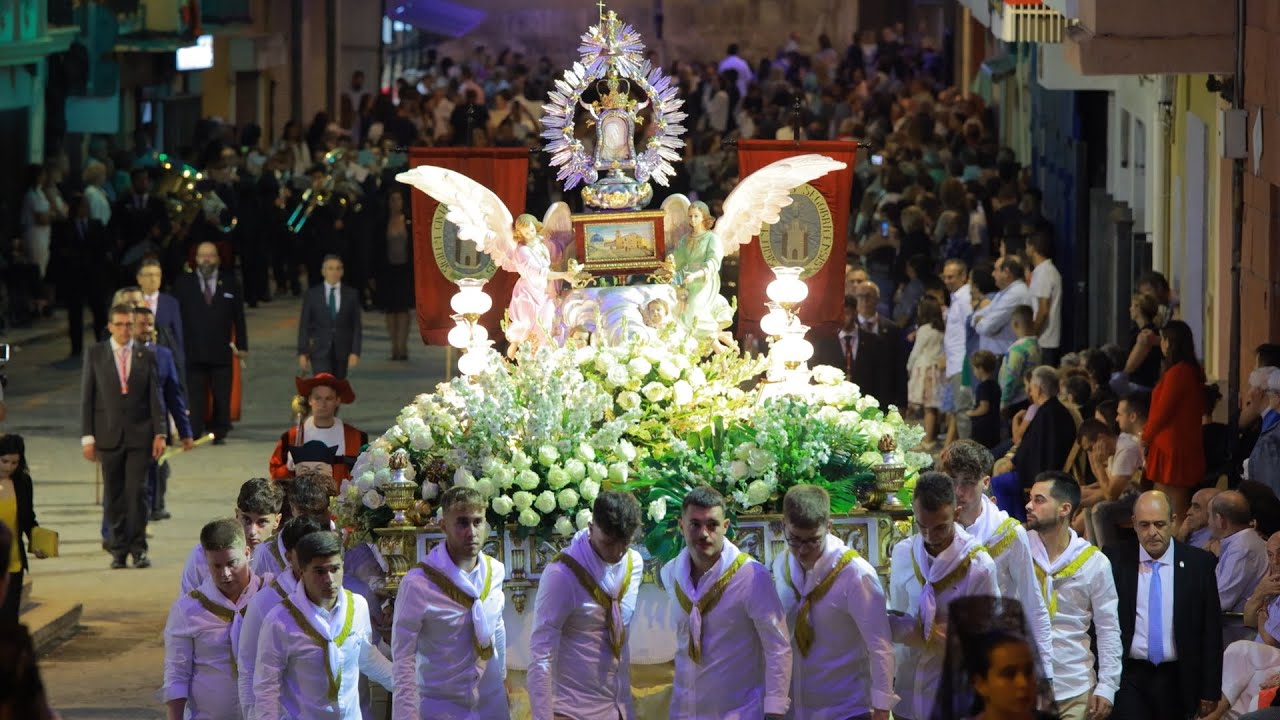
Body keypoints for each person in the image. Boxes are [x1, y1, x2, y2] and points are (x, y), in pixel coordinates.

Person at [660, 485, 791, 719]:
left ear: (726, 527)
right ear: (681, 525)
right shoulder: (670, 573)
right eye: (695, 524)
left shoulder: (752, 576)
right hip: (685, 710)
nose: (703, 533)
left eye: (712, 525)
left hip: (738, 712)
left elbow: (777, 646)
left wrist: (775, 709)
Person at [771, 484, 895, 720]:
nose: (802, 551)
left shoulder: (856, 574)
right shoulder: (781, 564)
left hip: (846, 708)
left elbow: (880, 645)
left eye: (813, 541)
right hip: (796, 708)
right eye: (794, 539)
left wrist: (881, 707)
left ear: (829, 526)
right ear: (783, 524)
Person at [941, 442, 1055, 686]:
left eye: (968, 482)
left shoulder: (1008, 534)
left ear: (985, 482)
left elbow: (1033, 604)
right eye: (952, 480)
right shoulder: (934, 528)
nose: (959, 491)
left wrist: (1044, 674)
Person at [889, 471, 1000, 720]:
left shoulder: (978, 565)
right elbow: (898, 608)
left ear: (957, 513)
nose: (930, 537)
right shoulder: (903, 553)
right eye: (922, 527)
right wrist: (909, 631)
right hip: (907, 692)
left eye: (940, 527)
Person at [391, 486, 509, 718]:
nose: (472, 532)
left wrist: (503, 679)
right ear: (443, 526)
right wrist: (406, 714)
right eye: (462, 523)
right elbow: (403, 657)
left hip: (491, 701)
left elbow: (496, 627)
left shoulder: (495, 570)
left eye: (478, 522)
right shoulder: (418, 583)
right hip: (442, 706)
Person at [1105, 491, 1222, 720]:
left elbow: (1211, 631)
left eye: (1159, 524)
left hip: (1178, 676)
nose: (1152, 533)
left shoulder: (1199, 564)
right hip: (1129, 674)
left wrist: (1210, 689)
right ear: (1134, 524)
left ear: (1173, 520)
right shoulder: (1114, 559)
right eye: (1144, 525)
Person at [528, 491, 644, 720]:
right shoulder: (562, 574)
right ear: (591, 528)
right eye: (609, 542)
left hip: (619, 707)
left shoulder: (634, 563)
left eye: (626, 543)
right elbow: (541, 654)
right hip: (572, 710)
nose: (617, 553)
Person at [253, 531, 393, 719]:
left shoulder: (358, 606)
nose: (329, 579)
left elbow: (366, 656)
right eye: (319, 571)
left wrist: (411, 685)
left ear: (343, 567)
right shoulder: (279, 620)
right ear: (301, 572)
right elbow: (267, 688)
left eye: (335, 569)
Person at [1024, 472, 1123, 720]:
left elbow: (1108, 628)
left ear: (1064, 509)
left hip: (1075, 687)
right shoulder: (1017, 550)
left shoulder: (1094, 563)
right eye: (1030, 499)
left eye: (1039, 500)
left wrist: (1108, 685)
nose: (1028, 505)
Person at [81, 303, 166, 569]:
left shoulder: (145, 355)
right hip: (108, 436)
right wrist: (88, 437)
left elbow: (155, 397)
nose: (124, 330)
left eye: (128, 324)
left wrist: (160, 432)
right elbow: (88, 397)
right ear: (109, 326)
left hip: (140, 436)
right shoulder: (96, 354)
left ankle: (138, 548)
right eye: (118, 324)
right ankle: (118, 550)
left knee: (137, 494)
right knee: (114, 495)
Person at [163, 518, 267, 720]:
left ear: (247, 553)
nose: (225, 574)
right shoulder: (187, 610)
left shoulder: (271, 597)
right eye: (216, 566)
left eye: (232, 563)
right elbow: (177, 675)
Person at [237, 515, 325, 720]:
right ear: (288, 556)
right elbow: (248, 666)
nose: (312, 560)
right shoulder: (264, 603)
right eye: (304, 554)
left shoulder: (336, 594)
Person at [173, 241, 248, 444]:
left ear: (218, 258)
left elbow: (238, 317)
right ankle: (195, 430)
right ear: (195, 259)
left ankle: (219, 431)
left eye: (211, 255)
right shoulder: (183, 283)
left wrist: (242, 345)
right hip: (193, 350)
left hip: (221, 350)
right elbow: (176, 319)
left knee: (222, 395)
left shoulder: (231, 282)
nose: (206, 259)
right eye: (202, 255)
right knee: (195, 395)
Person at [133, 305, 194, 521]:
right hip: (129, 426)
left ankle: (155, 506)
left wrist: (185, 432)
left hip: (157, 425)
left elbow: (174, 396)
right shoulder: (122, 355)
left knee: (158, 468)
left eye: (149, 324)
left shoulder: (164, 355)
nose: (146, 328)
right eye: (141, 324)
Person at [1144, 320, 1206, 521]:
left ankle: (1177, 546)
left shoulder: (1178, 373)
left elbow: (1162, 412)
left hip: (1172, 447)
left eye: (1163, 339)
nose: (1161, 344)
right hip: (1175, 444)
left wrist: (1145, 436)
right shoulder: (1187, 370)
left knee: (1174, 508)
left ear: (1170, 342)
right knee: (1163, 505)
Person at [182, 478, 284, 594]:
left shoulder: (284, 558)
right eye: (246, 519)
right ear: (237, 515)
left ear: (277, 520)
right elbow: (188, 601)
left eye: (262, 522)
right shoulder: (204, 555)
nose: (252, 531)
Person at [269, 374, 367, 484]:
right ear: (310, 400)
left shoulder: (356, 437)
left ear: (337, 401)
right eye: (318, 398)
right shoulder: (291, 438)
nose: (323, 404)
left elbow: (366, 476)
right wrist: (288, 468)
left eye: (328, 398)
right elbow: (276, 477)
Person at [1210, 491, 1269, 643]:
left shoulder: (1242, 548)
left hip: (1241, 633)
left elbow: (1222, 599)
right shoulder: (1241, 542)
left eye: (1209, 516)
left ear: (1220, 520)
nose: (1208, 522)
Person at [0, 435, 43, 623]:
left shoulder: (23, 483)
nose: (9, 467)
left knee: (9, 620)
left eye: (14, 462)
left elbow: (28, 519)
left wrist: (38, 541)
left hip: (13, 562)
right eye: (4, 461)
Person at [297, 255, 362, 379]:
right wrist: (303, 352)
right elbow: (304, 325)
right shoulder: (312, 295)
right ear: (323, 271)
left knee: (337, 388)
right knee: (323, 386)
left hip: (342, 351)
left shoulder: (351, 295)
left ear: (342, 272)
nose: (334, 272)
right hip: (319, 350)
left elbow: (356, 326)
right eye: (330, 268)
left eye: (338, 268)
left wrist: (355, 352)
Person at [373, 187, 414, 361]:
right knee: (390, 310)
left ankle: (403, 345)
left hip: (405, 271)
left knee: (403, 309)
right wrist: (372, 273)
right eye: (393, 200)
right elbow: (374, 248)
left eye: (399, 199)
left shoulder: (409, 222)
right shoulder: (382, 223)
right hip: (387, 271)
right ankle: (394, 345)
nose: (396, 203)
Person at [137, 258, 186, 388]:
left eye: (157, 275)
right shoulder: (133, 301)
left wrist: (179, 364)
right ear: (139, 279)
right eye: (149, 275)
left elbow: (178, 336)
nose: (153, 279)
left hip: (164, 363)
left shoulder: (171, 303)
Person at [942, 259, 975, 443]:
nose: (947, 281)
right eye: (945, 277)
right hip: (956, 363)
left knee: (964, 410)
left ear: (963, 276)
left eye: (951, 277)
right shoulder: (957, 298)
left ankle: (969, 456)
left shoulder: (964, 298)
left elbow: (970, 330)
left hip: (963, 363)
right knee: (960, 409)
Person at [972, 256, 1032, 357]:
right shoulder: (1004, 292)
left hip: (1004, 356)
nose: (992, 274)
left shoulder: (1016, 293)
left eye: (996, 270)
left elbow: (986, 328)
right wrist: (982, 320)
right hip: (997, 356)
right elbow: (975, 317)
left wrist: (983, 320)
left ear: (1007, 273)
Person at [907, 295, 947, 448]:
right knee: (933, 406)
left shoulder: (924, 329)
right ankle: (932, 435)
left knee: (928, 407)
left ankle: (928, 439)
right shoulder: (941, 329)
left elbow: (916, 351)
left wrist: (909, 366)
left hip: (924, 370)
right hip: (937, 370)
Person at [1026, 230, 1062, 366]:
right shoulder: (1043, 271)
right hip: (1044, 340)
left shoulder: (1045, 272)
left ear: (1032, 247)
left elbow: (1043, 308)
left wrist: (1031, 334)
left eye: (1027, 246)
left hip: (1045, 341)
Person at [999, 306, 1041, 419]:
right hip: (1030, 397)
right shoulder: (1037, 345)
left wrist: (1003, 402)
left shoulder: (1016, 349)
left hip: (1015, 402)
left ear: (1015, 324)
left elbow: (1010, 377)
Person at [968, 350, 1001, 449]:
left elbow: (984, 408)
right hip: (994, 425)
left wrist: (971, 413)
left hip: (983, 428)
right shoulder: (996, 385)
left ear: (980, 369)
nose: (974, 372)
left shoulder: (982, 387)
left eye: (974, 368)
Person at [1175, 487, 1221, 552]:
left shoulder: (1214, 540)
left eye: (1196, 507)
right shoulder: (1189, 530)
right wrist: (1181, 535)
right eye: (1191, 506)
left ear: (1213, 511)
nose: (1188, 512)